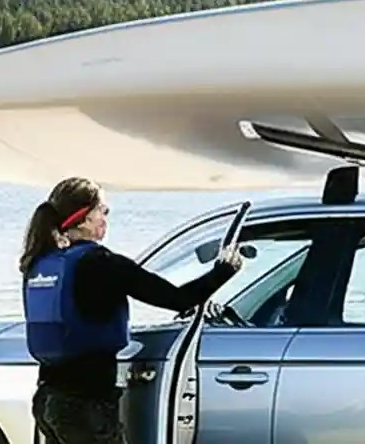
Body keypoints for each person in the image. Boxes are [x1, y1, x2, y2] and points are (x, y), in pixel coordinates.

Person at [19, 176, 242, 444]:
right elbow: (179, 299)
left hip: (47, 401)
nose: (106, 218)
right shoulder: (102, 264)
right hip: (87, 405)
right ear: (85, 217)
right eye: (103, 211)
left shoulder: (41, 265)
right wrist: (224, 271)